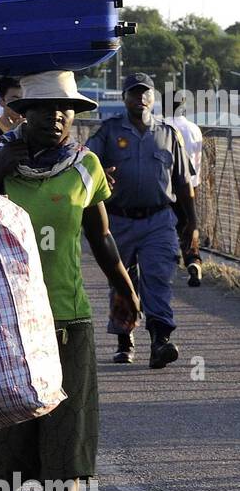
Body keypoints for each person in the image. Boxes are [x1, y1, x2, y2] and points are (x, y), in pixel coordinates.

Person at [0, 71, 139, 491]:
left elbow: (100, 234)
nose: (60, 116)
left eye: (68, 108)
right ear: (23, 110)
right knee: (8, 446)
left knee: (67, 450)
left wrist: (124, 290)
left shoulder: (86, 166)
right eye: (46, 108)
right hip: (6, 323)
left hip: (69, 322)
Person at [86, 73, 197, 366]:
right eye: (134, 93)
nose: (140, 98)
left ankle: (160, 340)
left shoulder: (168, 133)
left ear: (153, 97)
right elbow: (85, 164)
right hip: (118, 220)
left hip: (159, 220)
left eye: (145, 93)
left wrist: (192, 223)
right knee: (122, 282)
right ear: (125, 98)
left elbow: (184, 182)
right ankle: (125, 339)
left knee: (158, 277)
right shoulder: (108, 132)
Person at [170, 92, 204, 286]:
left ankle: (167, 263)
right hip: (191, 184)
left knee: (163, 226)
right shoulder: (194, 129)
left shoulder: (161, 126)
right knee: (188, 226)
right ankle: (193, 260)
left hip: (167, 186)